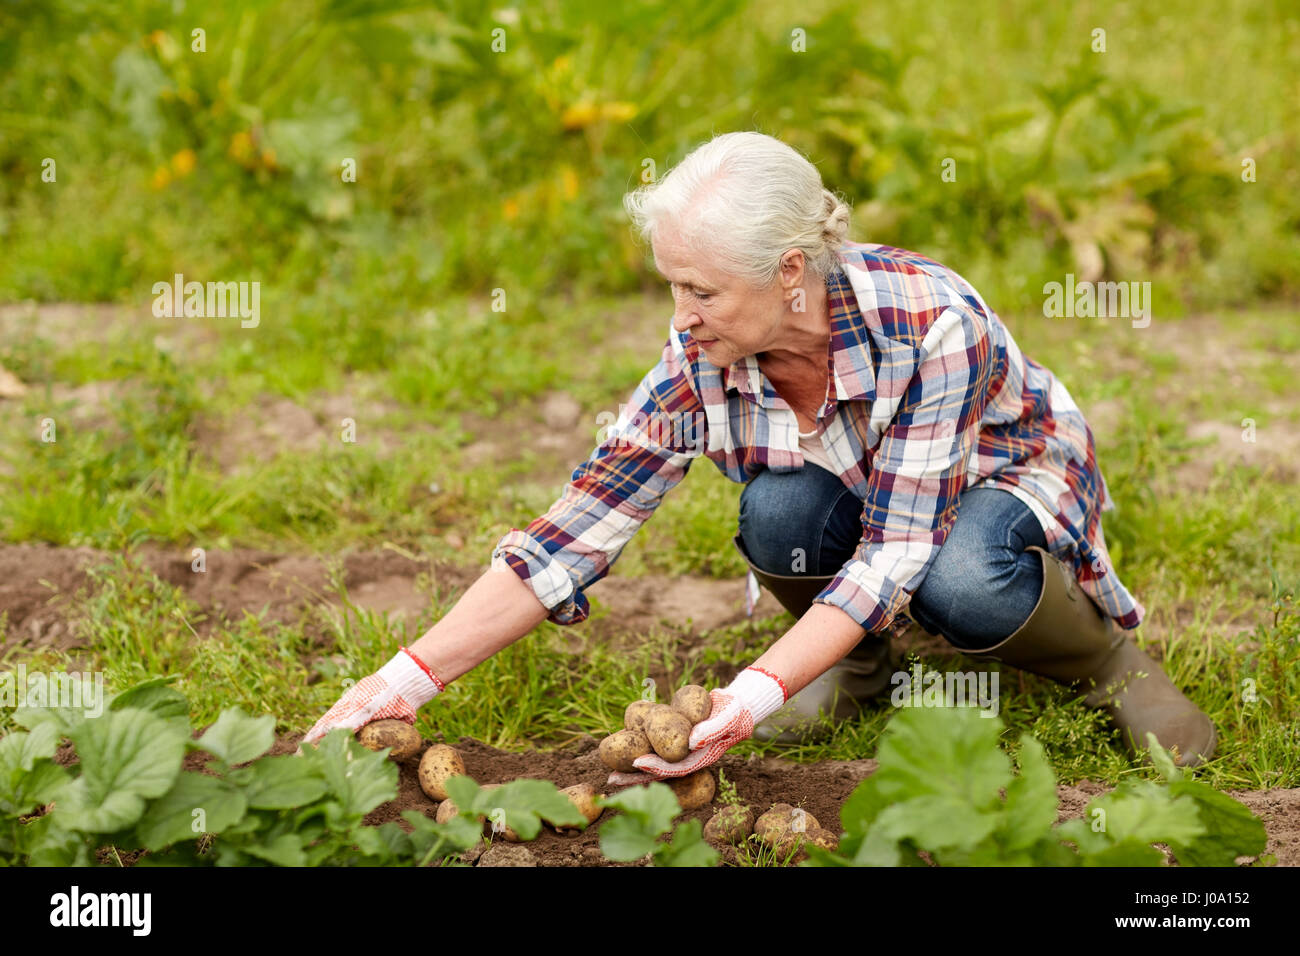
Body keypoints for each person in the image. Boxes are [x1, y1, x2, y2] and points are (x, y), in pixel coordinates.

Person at [300, 131, 1216, 781]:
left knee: (960, 576)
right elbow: (577, 529)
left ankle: (1110, 668)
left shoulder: (934, 323)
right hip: (873, 493)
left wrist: (750, 694)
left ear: (790, 272)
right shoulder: (697, 355)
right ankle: (866, 674)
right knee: (776, 516)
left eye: (701, 289)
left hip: (996, 472)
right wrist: (402, 679)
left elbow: (898, 547)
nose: (680, 314)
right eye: (671, 285)